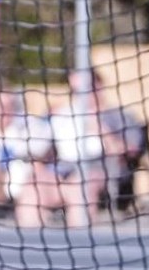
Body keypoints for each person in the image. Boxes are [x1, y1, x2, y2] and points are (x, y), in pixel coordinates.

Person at [48, 69, 131, 226]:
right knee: (33, 189)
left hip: (99, 173)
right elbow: (45, 151)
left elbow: (127, 151)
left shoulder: (119, 116)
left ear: (99, 87)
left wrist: (100, 129)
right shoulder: (65, 115)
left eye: (85, 88)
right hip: (63, 173)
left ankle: (79, 243)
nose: (80, 95)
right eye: (75, 91)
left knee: (80, 186)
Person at [0, 90, 59, 227]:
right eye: (0, 106)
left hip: (22, 185)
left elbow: (41, 157)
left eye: (10, 106)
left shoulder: (27, 126)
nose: (6, 111)